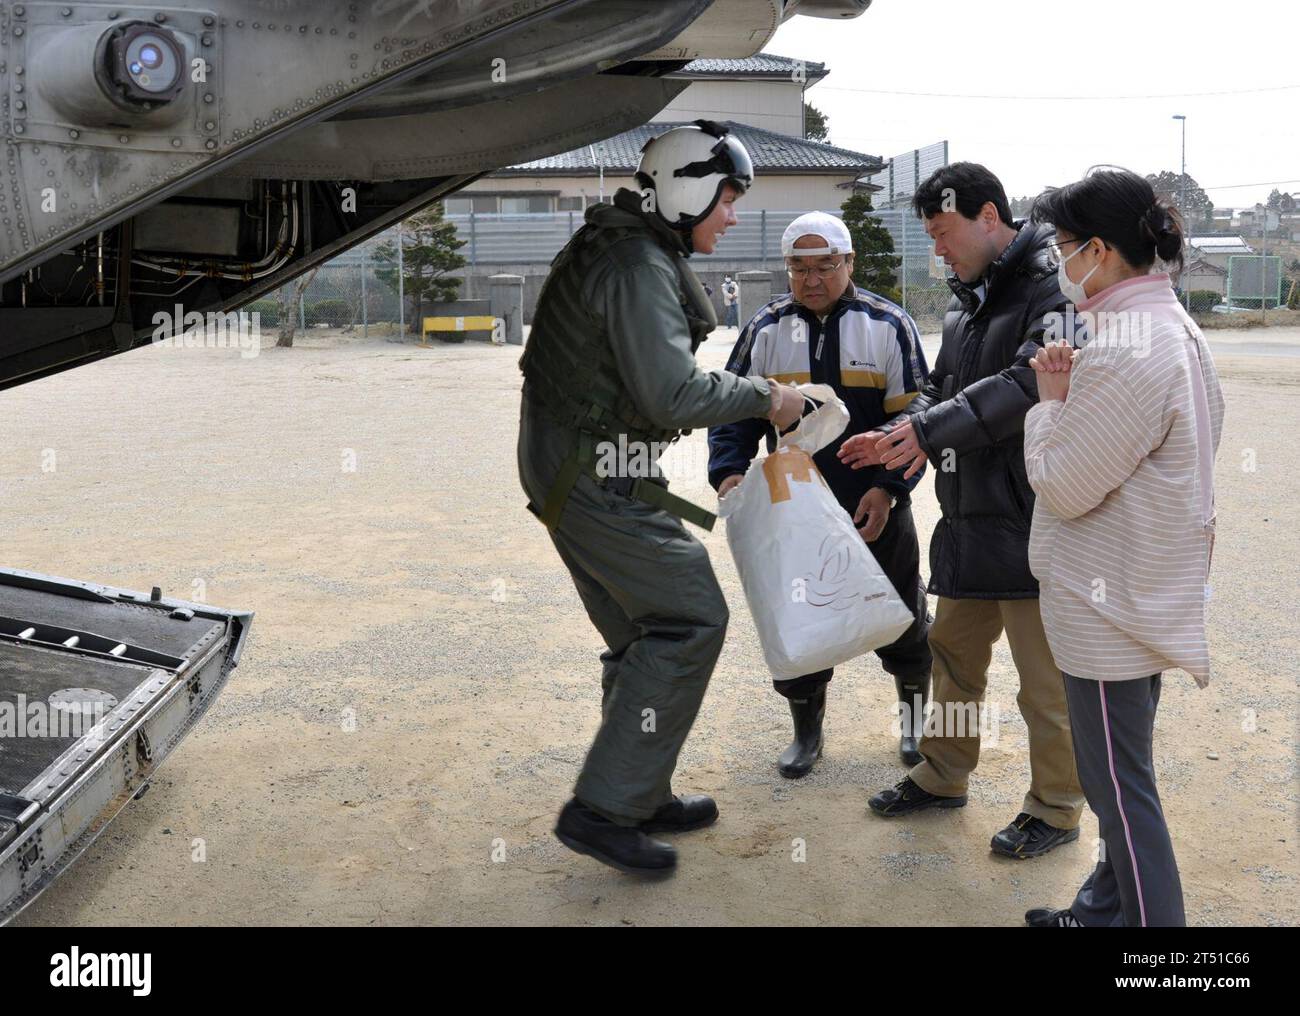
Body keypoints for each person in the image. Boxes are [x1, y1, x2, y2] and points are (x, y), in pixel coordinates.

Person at [517, 120, 805, 875]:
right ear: (689, 190)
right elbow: (671, 392)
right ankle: (603, 812)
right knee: (688, 620)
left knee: (643, 634)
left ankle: (637, 791)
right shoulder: (639, 265)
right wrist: (766, 398)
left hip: (576, 470)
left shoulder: (624, 248)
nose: (734, 216)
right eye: (728, 200)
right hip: (592, 477)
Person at [840, 162, 1085, 859]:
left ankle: (1057, 807)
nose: (937, 251)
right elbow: (946, 388)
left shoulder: (1054, 286)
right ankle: (943, 772)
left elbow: (1030, 382)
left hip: (1035, 520)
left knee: (1046, 684)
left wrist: (928, 428)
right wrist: (903, 431)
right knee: (953, 661)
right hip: (970, 518)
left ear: (987, 215)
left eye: (943, 233)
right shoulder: (966, 304)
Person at [1021, 167, 1224, 927]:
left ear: (1099, 250)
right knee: (1118, 777)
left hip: (1109, 610)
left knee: (1119, 791)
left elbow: (1066, 485)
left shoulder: (1126, 345)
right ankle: (1103, 909)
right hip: (1143, 593)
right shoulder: (1171, 326)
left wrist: (1048, 408)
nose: (1059, 263)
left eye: (1064, 247)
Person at [708, 211, 933, 777]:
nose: (811, 279)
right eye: (799, 267)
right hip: (794, 507)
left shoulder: (887, 324)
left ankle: (912, 725)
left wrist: (888, 489)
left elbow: (918, 413)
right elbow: (730, 413)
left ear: (849, 263)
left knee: (903, 613)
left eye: (825, 265)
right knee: (798, 618)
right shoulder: (763, 329)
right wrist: (729, 473)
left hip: (872, 501)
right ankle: (806, 733)